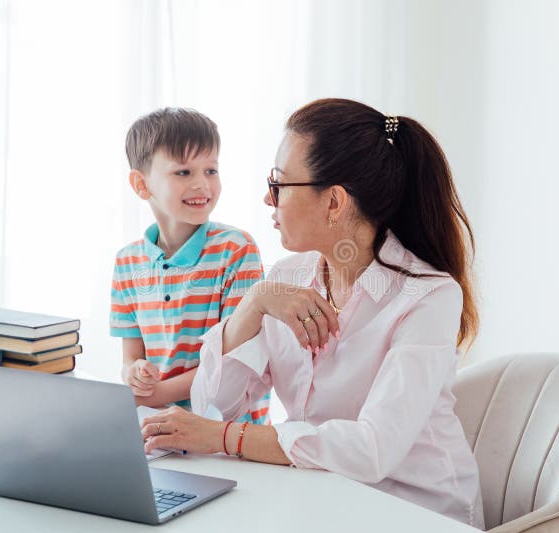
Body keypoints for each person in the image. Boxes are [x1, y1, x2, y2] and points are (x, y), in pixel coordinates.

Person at [139, 98, 484, 528]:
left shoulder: (427, 297)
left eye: (279, 184)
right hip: (322, 498)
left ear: (334, 202)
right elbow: (214, 406)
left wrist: (227, 439)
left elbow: (371, 449)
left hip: (417, 513)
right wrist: (253, 306)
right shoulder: (288, 278)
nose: (268, 198)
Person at [110, 107, 270, 425]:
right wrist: (137, 375)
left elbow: (231, 363)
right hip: (156, 429)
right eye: (184, 172)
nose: (202, 185)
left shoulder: (236, 250)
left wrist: (156, 394)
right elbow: (131, 358)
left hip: (226, 432)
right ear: (142, 185)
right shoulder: (127, 262)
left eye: (211, 170)